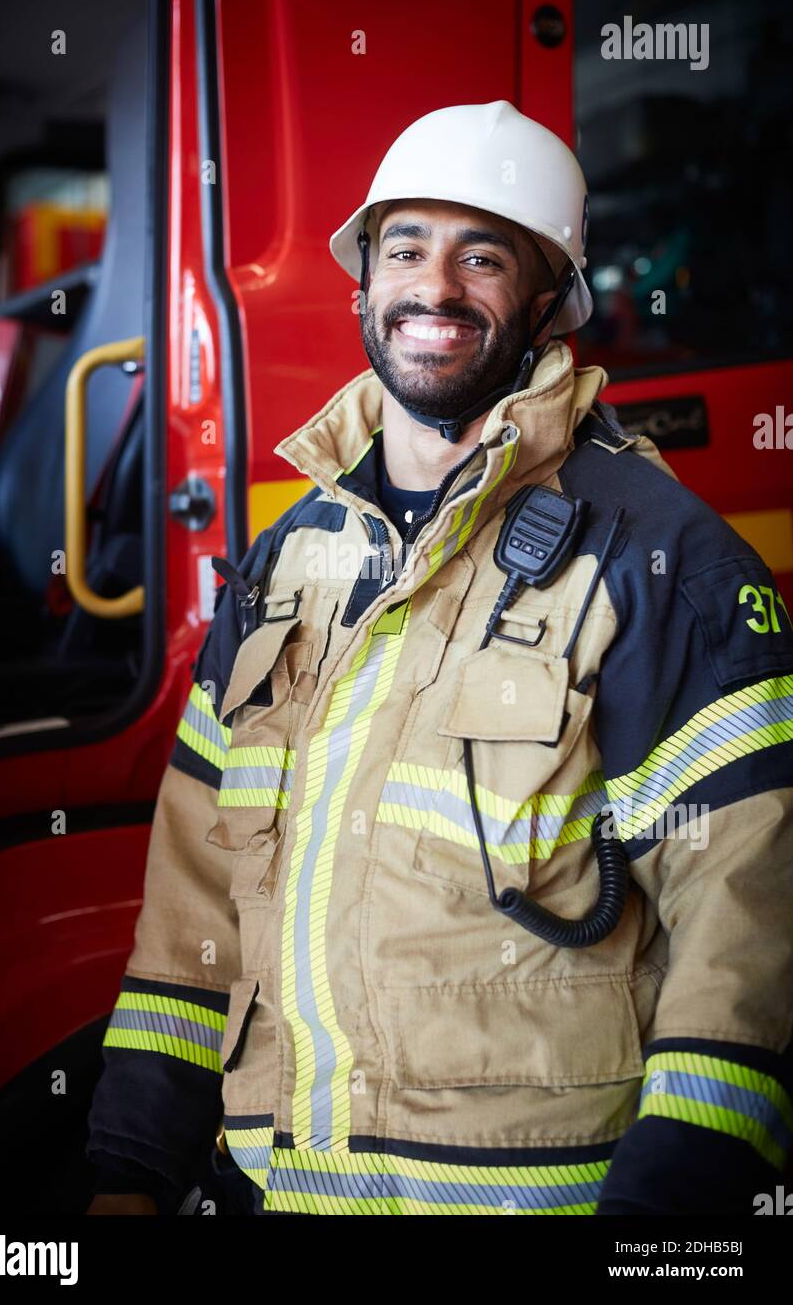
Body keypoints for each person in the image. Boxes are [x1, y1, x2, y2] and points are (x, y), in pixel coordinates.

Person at [86, 101, 793, 1217]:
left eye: (483, 256)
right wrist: (130, 1167)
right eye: (405, 247)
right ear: (363, 282)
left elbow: (744, 921)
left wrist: (669, 1215)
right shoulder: (288, 561)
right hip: (274, 1192)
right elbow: (195, 900)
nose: (435, 287)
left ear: (550, 302)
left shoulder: (658, 555)